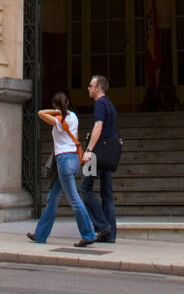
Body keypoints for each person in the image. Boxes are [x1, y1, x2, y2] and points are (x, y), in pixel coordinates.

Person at [27, 92, 98, 247]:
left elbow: (40, 113)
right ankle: (40, 235)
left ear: (56, 106)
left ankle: (89, 234)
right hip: (73, 159)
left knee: (74, 199)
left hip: (64, 161)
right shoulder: (74, 117)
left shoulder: (58, 120)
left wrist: (56, 111)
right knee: (52, 198)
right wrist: (61, 110)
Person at [80, 74, 120, 243]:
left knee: (85, 189)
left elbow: (98, 126)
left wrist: (88, 150)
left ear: (98, 88)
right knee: (107, 195)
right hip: (108, 156)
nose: (88, 88)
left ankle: (103, 226)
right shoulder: (110, 105)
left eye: (91, 85)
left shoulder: (100, 104)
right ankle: (110, 235)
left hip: (97, 154)